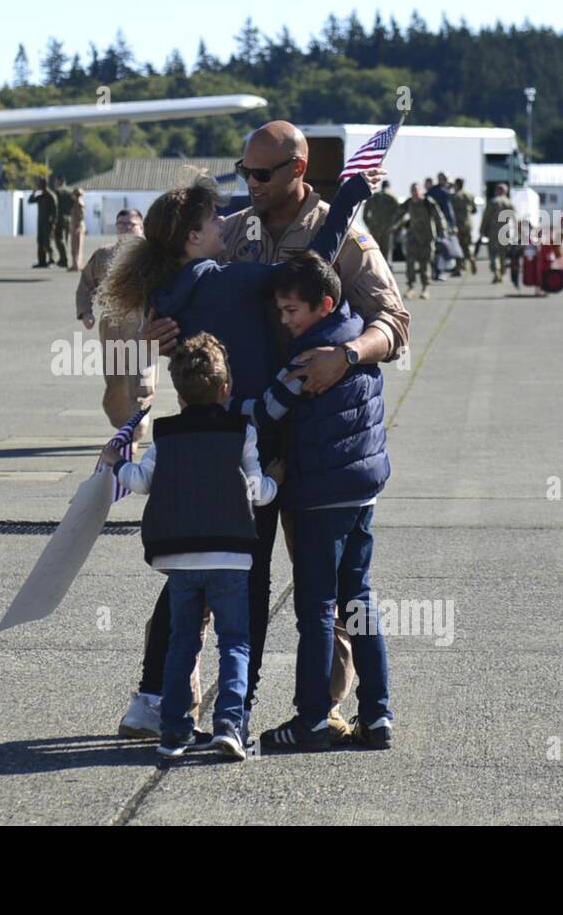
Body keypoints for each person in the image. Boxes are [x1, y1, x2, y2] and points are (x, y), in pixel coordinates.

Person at [131, 121, 409, 743]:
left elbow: (393, 319)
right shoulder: (232, 231)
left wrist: (351, 354)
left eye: (261, 175)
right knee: (217, 568)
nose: (249, 184)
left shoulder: (347, 239)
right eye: (244, 172)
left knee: (332, 591)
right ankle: (163, 696)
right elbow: (178, 283)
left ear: (298, 170)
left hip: (315, 441)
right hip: (244, 436)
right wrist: (161, 325)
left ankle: (330, 706)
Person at [237, 252, 393, 751]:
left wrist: (218, 406)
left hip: (319, 499)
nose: (284, 321)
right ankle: (378, 716)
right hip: (362, 493)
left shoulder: (308, 358)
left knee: (317, 611)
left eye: (291, 311)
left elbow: (265, 411)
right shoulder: (357, 341)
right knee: (360, 604)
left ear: (323, 304)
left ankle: (310, 722)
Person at [102, 332, 277, 760]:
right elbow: (258, 491)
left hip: (179, 557)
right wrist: (277, 479)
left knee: (183, 642)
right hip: (231, 556)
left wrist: (116, 463)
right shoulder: (242, 432)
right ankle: (230, 725)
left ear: (179, 396)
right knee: (234, 641)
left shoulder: (167, 435)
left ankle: (175, 732)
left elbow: (141, 483)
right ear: (226, 388)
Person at [76, 207, 154, 439]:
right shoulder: (103, 255)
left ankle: (137, 426)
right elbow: (86, 285)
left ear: (141, 227)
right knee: (116, 381)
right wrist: (85, 312)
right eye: (121, 225)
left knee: (142, 379)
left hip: (142, 327)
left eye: (131, 224)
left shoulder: (152, 257)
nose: (126, 229)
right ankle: (125, 425)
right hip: (111, 326)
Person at [394, 182, 445, 299]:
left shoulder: (428, 202)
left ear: (421, 191)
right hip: (413, 237)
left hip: (426, 238)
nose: (415, 193)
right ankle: (411, 287)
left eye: (417, 190)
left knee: (424, 264)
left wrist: (443, 230)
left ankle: (425, 288)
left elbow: (438, 217)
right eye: (412, 190)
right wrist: (394, 226)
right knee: (410, 262)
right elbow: (399, 214)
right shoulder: (409, 202)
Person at [480, 182, 515, 284]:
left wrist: (482, 229)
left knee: (494, 253)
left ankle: (496, 271)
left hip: (494, 231)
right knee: (503, 253)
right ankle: (502, 272)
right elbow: (515, 217)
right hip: (505, 231)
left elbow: (486, 217)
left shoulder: (493, 202)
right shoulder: (509, 203)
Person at [361, 179, 402, 263]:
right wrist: (394, 225)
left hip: (374, 228)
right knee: (386, 252)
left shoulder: (373, 196)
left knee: (375, 251)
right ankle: (387, 270)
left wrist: (370, 226)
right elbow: (400, 212)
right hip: (387, 229)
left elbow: (365, 214)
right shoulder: (391, 197)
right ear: (388, 186)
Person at [29, 177, 61, 268]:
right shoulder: (41, 195)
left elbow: (55, 211)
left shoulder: (51, 195)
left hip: (48, 223)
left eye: (40, 184)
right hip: (41, 223)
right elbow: (30, 201)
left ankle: (52, 260)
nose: (39, 185)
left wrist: (53, 223)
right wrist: (34, 191)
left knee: (48, 243)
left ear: (44, 184)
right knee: (40, 242)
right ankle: (41, 261)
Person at [452, 177, 477, 273]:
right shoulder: (470, 196)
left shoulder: (454, 196)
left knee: (458, 246)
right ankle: (471, 259)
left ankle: (459, 267)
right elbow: (474, 210)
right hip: (468, 223)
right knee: (468, 244)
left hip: (458, 224)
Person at [54, 176, 74, 270]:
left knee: (58, 238)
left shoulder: (58, 192)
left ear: (59, 181)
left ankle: (63, 259)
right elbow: (73, 204)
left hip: (60, 217)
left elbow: (55, 206)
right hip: (69, 217)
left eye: (56, 181)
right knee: (66, 238)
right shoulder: (70, 192)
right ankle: (64, 258)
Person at [68, 187, 87, 271]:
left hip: (78, 226)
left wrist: (78, 228)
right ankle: (74, 264)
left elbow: (81, 217)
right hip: (75, 226)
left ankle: (77, 265)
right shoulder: (76, 203)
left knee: (78, 247)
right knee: (73, 247)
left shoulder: (79, 204)